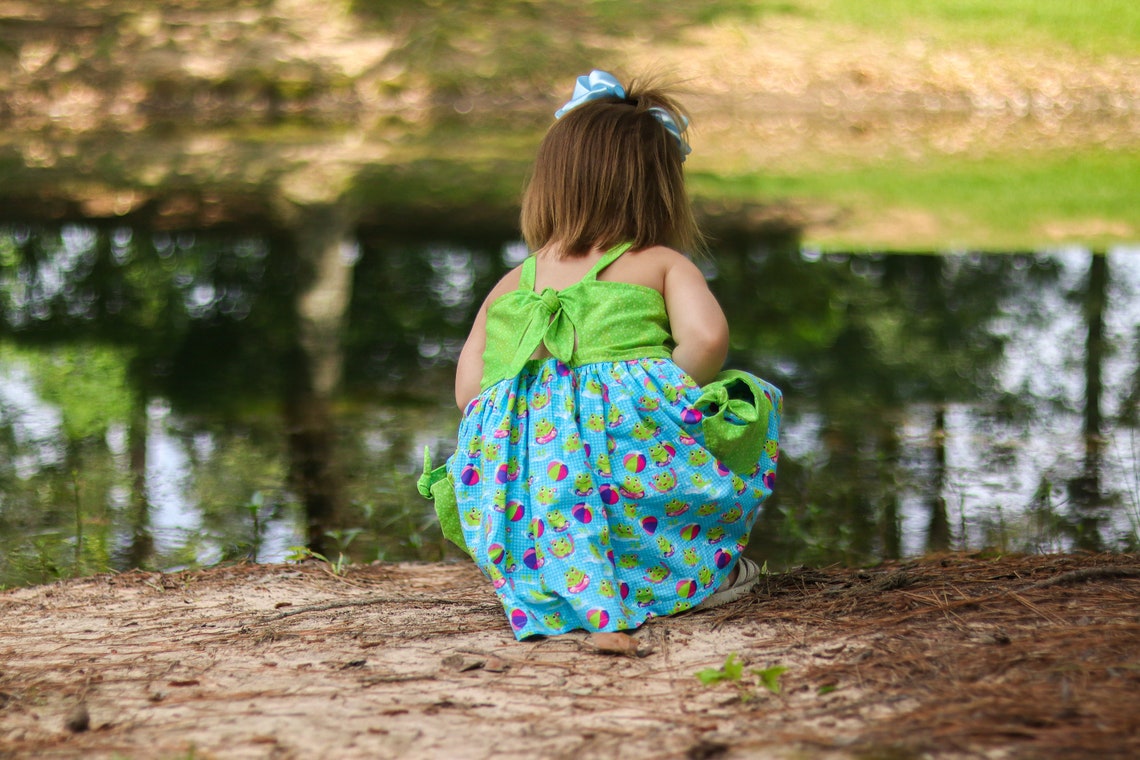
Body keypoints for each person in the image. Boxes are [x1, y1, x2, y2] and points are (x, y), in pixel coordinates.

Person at [425, 69, 781, 639]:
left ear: (549, 186)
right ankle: (683, 574)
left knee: (555, 483)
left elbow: (470, 380)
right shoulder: (662, 262)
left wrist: (501, 422)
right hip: (626, 443)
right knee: (749, 404)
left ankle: (554, 581)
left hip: (527, 471)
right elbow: (708, 340)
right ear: (661, 191)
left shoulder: (516, 279)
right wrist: (661, 401)